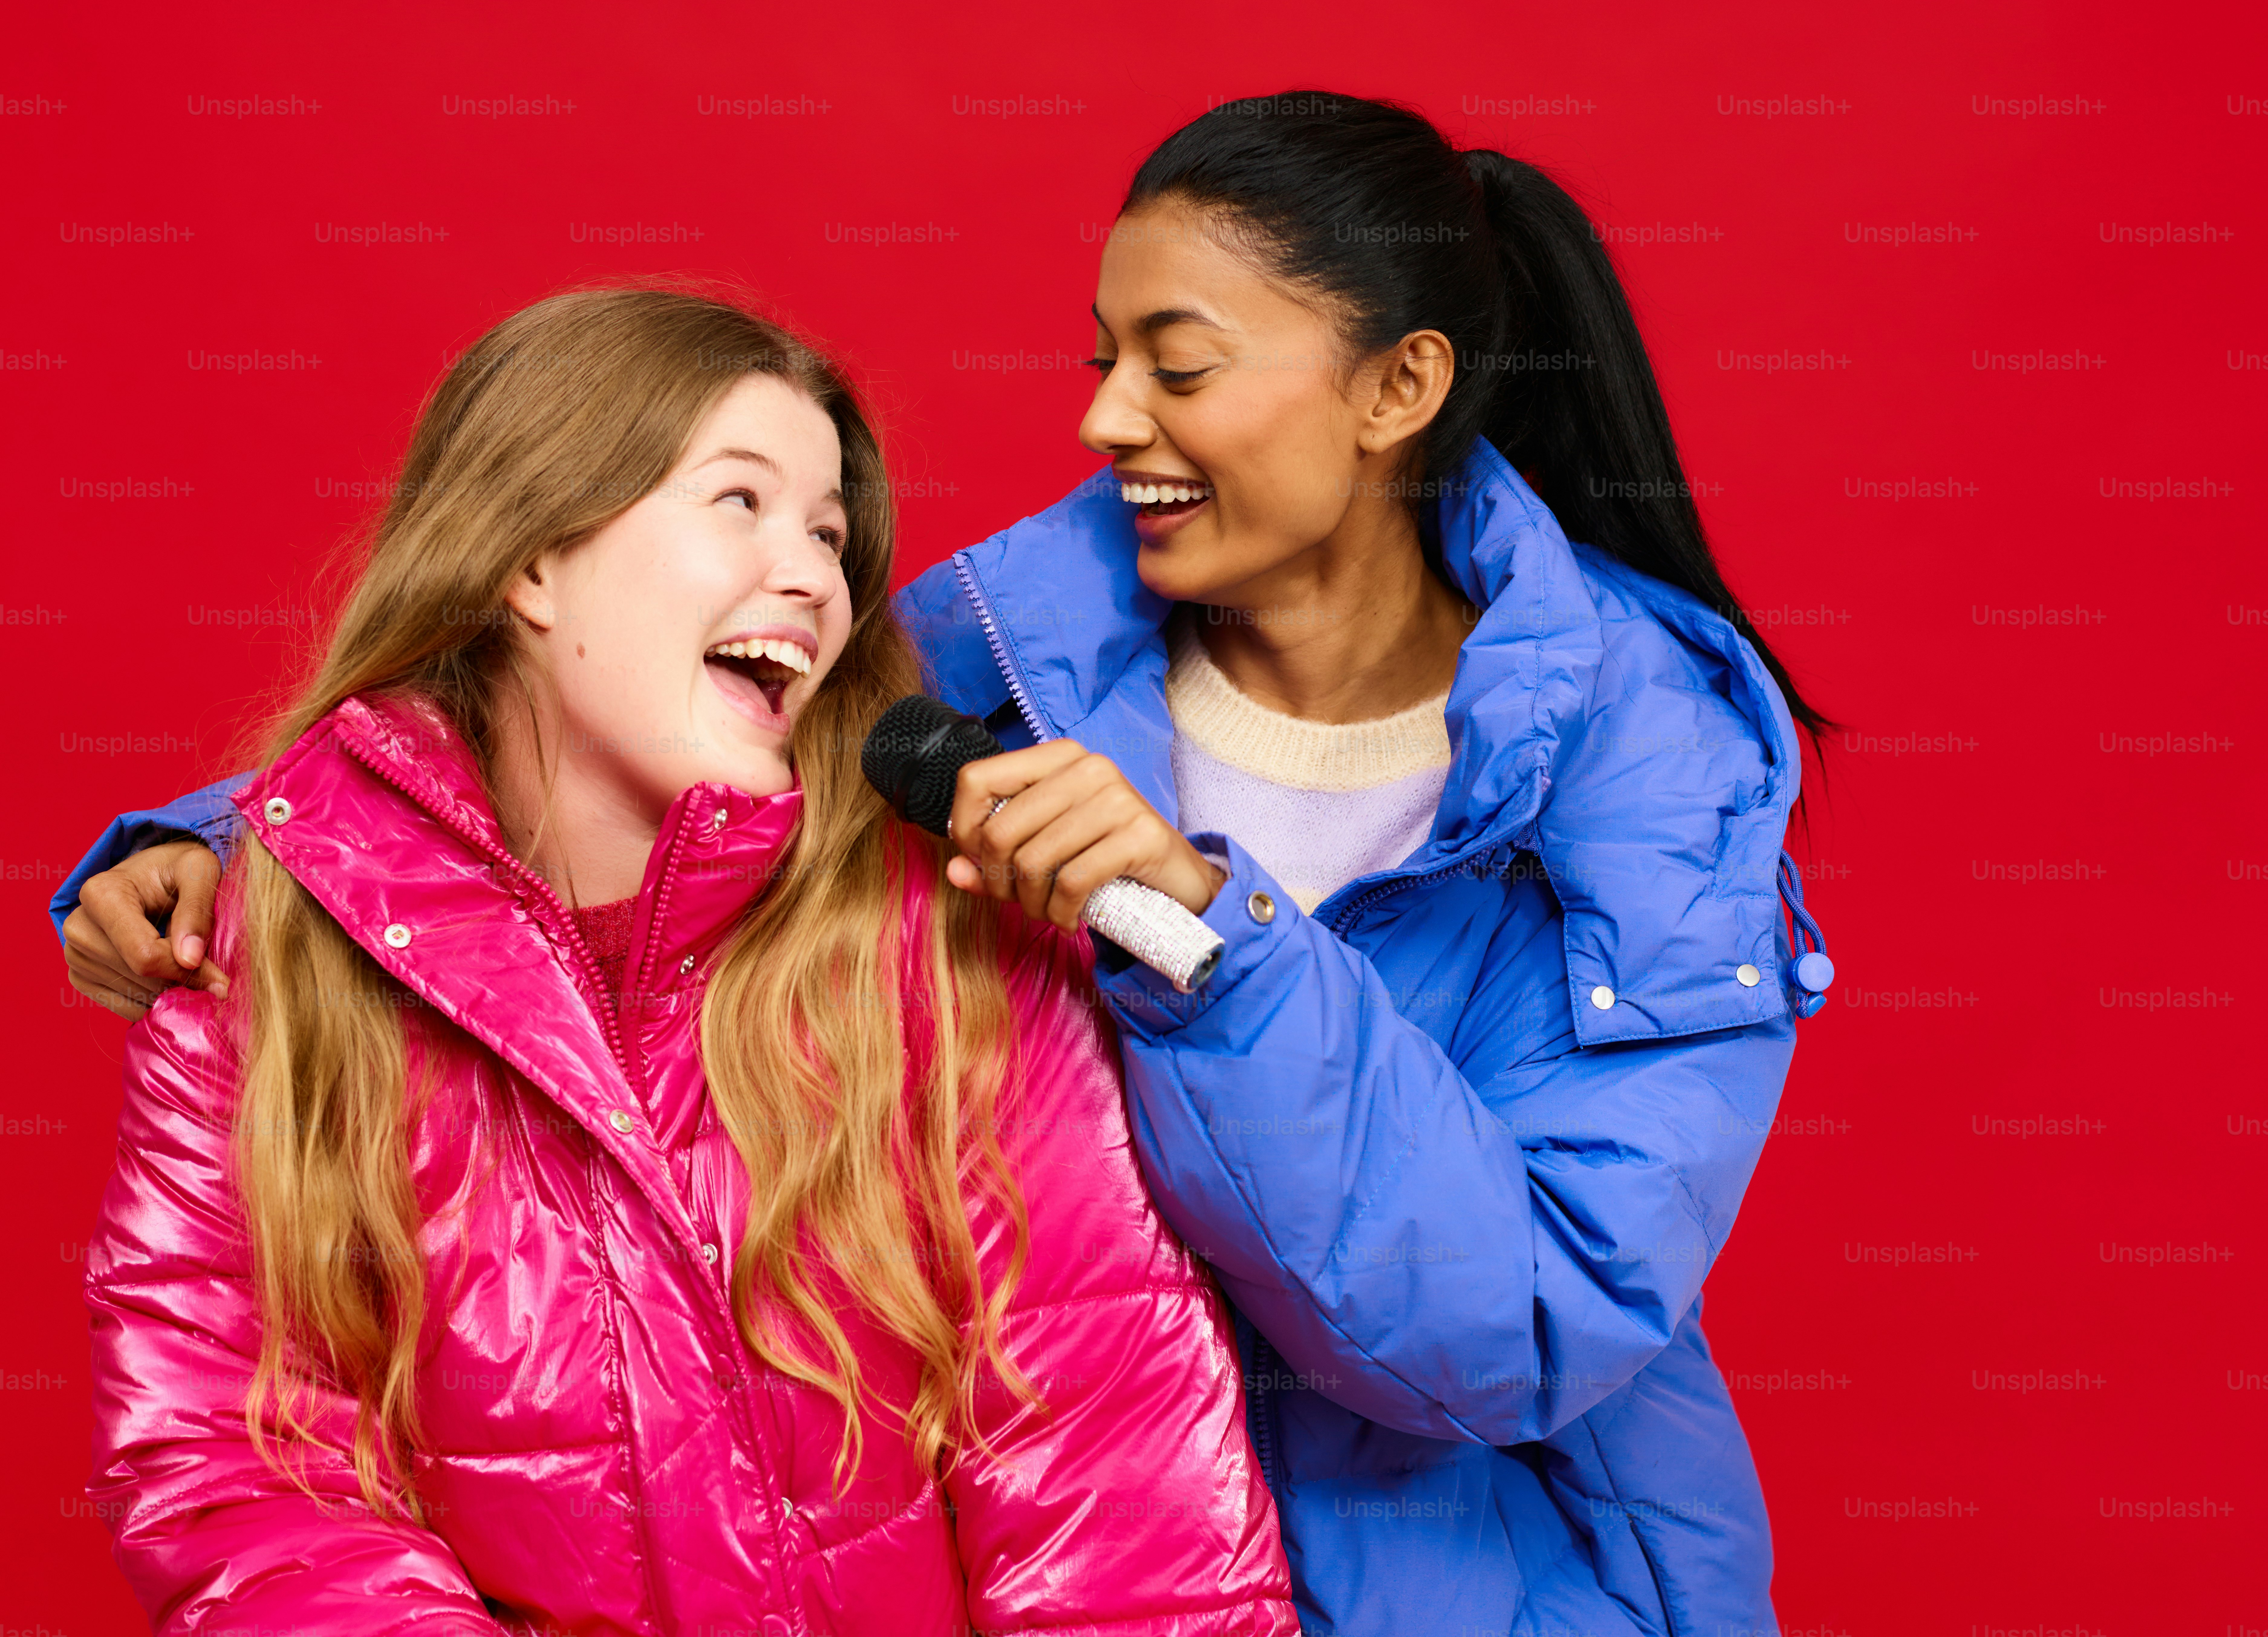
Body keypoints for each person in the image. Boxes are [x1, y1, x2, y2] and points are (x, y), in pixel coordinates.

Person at [60, 95, 1837, 1635]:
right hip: (1075, 1551)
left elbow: (1511, 1325)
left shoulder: (1655, 775)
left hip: (1471, 1576)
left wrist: (1211, 942)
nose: (1106, 421)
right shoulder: (1012, 649)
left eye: (1179, 367)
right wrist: (231, 850)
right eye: (1102, 360)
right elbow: (615, 722)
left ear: (1399, 385)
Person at [73, 287, 1293, 1634]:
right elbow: (233, 1466)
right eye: (741, 502)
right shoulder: (258, 976)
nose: (812, 576)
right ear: (531, 563)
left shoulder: (948, 948)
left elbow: (1117, 1480)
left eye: (829, 534)